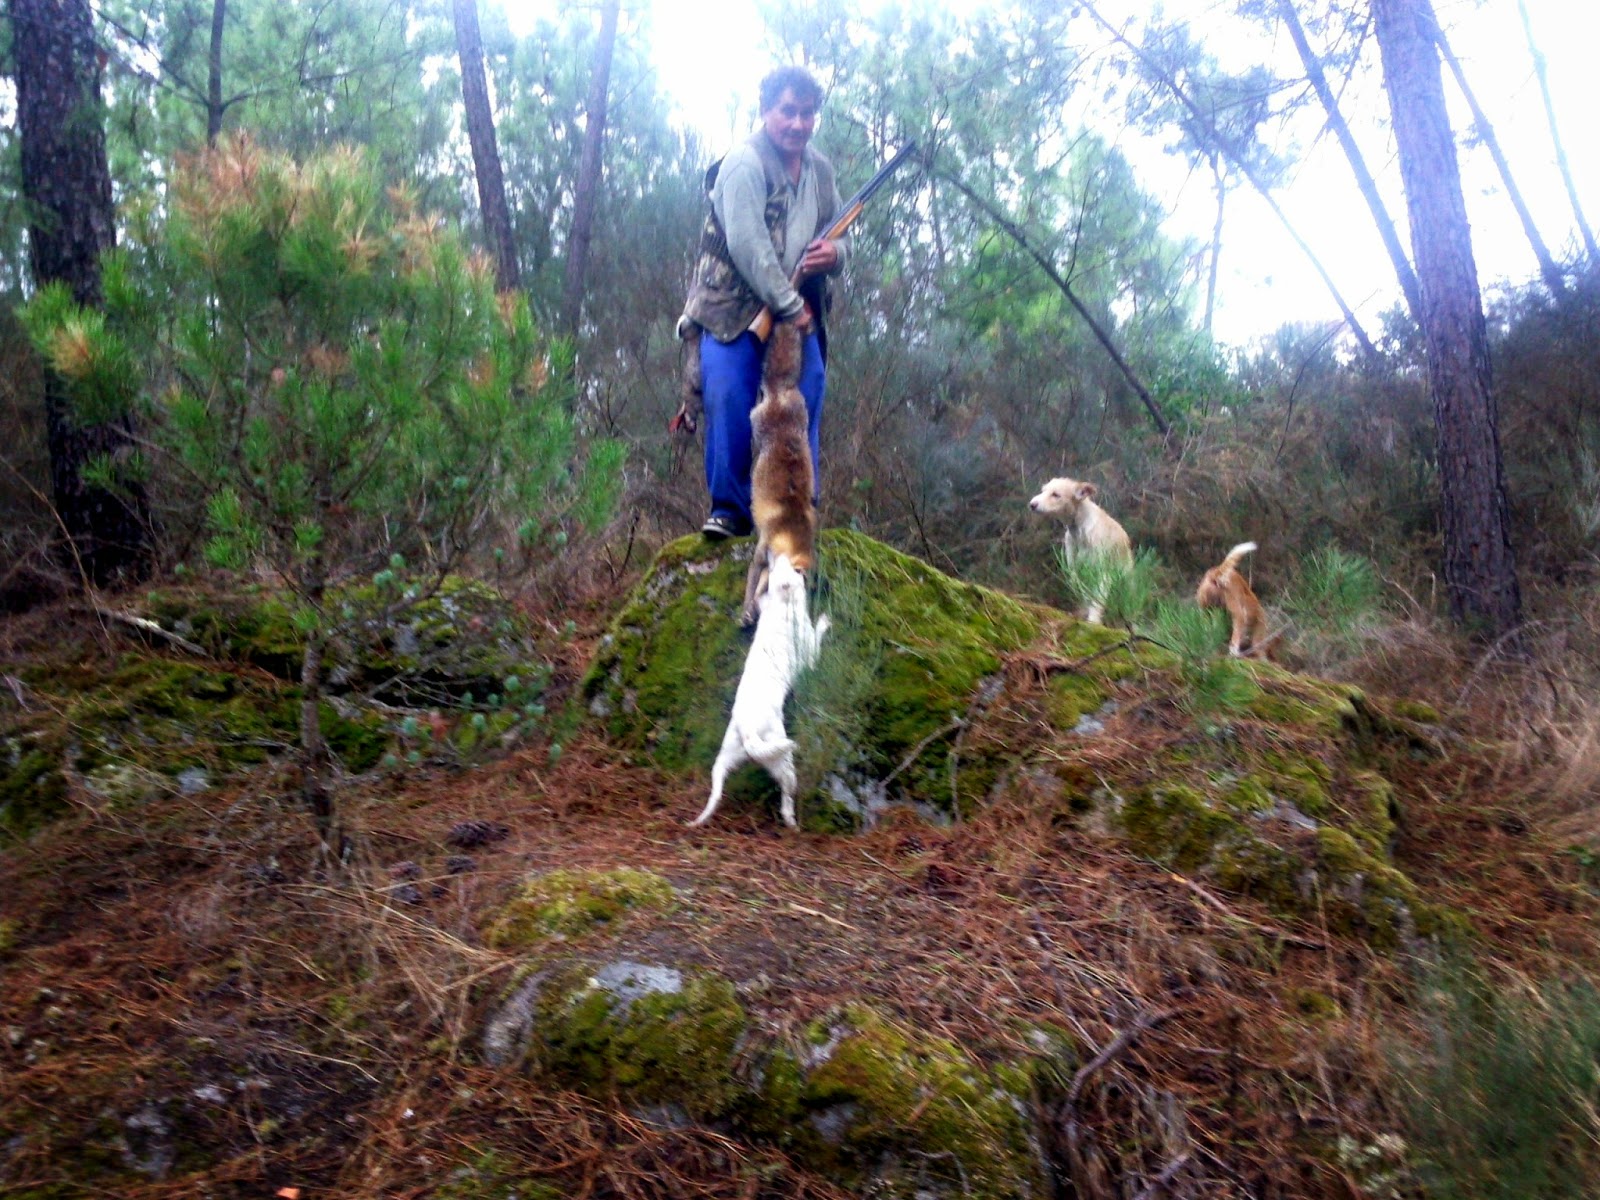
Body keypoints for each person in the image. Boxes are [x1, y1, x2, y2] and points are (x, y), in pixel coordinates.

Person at [677, 65, 849, 540]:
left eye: (807, 113)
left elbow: (838, 235)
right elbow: (749, 248)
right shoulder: (743, 165)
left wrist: (835, 255)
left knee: (807, 395)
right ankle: (729, 511)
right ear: (765, 111)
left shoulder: (820, 170)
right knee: (728, 392)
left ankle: (794, 507)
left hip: (793, 307)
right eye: (787, 112)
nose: (798, 123)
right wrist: (792, 306)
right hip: (729, 306)